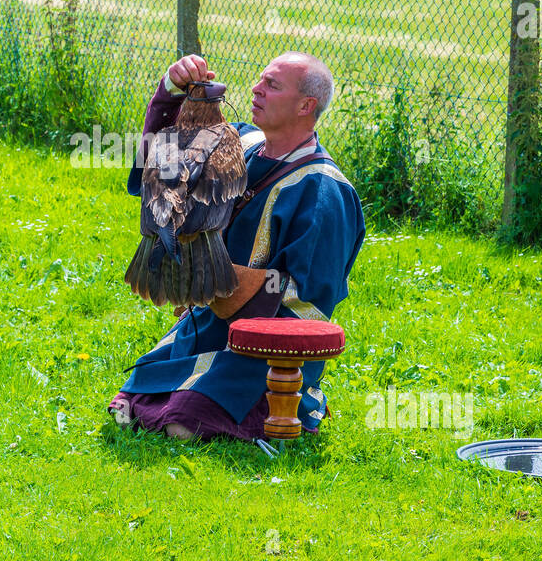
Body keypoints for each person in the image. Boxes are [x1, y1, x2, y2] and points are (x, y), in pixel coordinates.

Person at [109, 51, 365, 443]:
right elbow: (159, 162)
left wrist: (227, 286)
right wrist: (172, 90)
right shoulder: (237, 143)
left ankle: (292, 405)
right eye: (261, 80)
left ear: (305, 105)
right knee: (125, 408)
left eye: (272, 85)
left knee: (182, 423)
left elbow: (310, 302)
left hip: (271, 352)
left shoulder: (323, 191)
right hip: (208, 328)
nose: (256, 89)